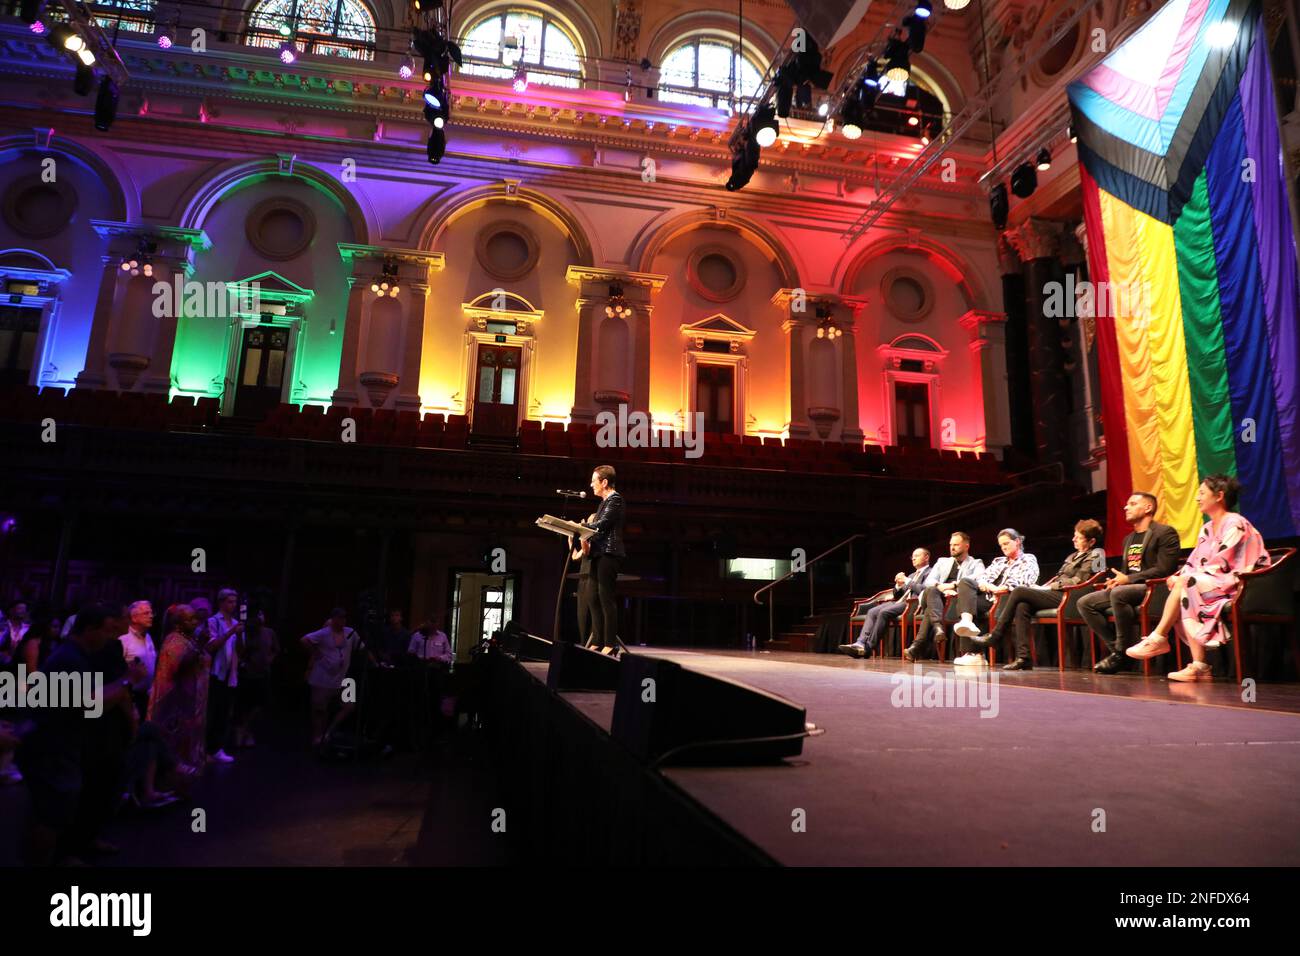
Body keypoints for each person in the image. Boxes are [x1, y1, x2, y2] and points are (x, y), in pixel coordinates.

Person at [16, 603, 145, 865]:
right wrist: (127, 682)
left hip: (55, 743)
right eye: (106, 631)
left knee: (53, 811)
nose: (110, 638)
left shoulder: (74, 655)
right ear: (89, 629)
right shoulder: (70, 659)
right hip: (51, 746)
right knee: (50, 814)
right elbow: (89, 704)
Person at [1125, 475, 1271, 681]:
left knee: (1187, 583)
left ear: (1219, 496)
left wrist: (1187, 577)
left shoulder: (1236, 523)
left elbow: (1225, 561)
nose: (1197, 498)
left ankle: (1160, 638)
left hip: (1241, 582)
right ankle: (1198, 664)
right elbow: (1195, 561)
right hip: (1213, 580)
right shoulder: (1207, 528)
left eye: (1202, 493)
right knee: (1183, 583)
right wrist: (1180, 575)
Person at [970, 519, 1107, 670]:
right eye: (1074, 535)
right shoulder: (1072, 556)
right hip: (1058, 593)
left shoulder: (1097, 554)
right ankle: (1024, 657)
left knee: (1019, 590)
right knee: (1023, 605)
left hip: (1074, 597)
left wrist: (1048, 589)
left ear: (1092, 541)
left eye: (1079, 537)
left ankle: (995, 636)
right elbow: (1060, 576)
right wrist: (1044, 587)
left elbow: (1082, 580)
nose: (1073, 539)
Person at [1077, 492, 1181, 674]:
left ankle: (1120, 654)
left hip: (1155, 588)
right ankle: (1120, 652)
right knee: (1085, 602)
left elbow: (1165, 569)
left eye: (1132, 504)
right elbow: (1128, 572)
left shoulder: (1165, 533)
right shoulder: (1128, 539)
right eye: (1127, 504)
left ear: (1148, 508)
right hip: (1130, 588)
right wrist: (1117, 580)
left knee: (1119, 593)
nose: (1126, 507)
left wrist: (1128, 580)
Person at [951, 529, 1040, 665]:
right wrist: (986, 585)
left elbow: (1024, 582)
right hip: (990, 597)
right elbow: (982, 578)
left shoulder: (1028, 559)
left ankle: (975, 653)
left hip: (1008, 599)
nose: (1003, 547)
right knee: (965, 587)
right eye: (1001, 545)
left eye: (1006, 543)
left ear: (1017, 542)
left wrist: (996, 588)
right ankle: (967, 623)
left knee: (968, 603)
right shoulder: (998, 561)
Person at [147, 604, 211, 783]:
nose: (196, 622)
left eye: (195, 618)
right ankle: (173, 775)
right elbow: (180, 667)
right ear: (178, 624)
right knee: (176, 738)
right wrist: (200, 644)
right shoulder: (174, 641)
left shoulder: (188, 639)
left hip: (192, 699)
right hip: (177, 701)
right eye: (190, 619)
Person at [904, 532, 985, 662]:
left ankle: (922, 642)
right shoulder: (942, 562)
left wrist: (953, 586)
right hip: (934, 594)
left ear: (966, 546)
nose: (952, 547)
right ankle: (937, 627)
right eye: (951, 544)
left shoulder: (975, 563)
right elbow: (929, 582)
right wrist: (940, 586)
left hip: (951, 601)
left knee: (931, 609)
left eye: (956, 545)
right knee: (931, 590)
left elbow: (980, 578)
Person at [838, 548, 931, 658]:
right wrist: (898, 585)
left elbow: (923, 590)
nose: (913, 558)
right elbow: (897, 596)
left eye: (917, 555)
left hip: (912, 605)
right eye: (912, 556)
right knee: (872, 611)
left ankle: (868, 648)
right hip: (899, 602)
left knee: (883, 612)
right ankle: (860, 642)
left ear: (926, 557)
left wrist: (906, 580)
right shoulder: (911, 575)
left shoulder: (930, 573)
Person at [302, 607, 373, 748]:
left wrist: (375, 662)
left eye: (344, 618)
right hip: (322, 679)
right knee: (320, 709)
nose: (341, 621)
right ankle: (318, 737)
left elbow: (363, 648)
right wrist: (317, 656)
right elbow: (305, 641)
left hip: (343, 679)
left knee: (349, 706)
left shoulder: (350, 633)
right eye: (338, 618)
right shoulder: (323, 634)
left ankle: (328, 732)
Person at [582, 465, 625, 656]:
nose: (591, 484)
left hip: (609, 553)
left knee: (605, 597)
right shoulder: (602, 503)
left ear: (604, 482)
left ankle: (610, 643)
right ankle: (597, 641)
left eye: (594, 480)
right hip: (598, 554)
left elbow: (601, 526)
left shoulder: (615, 500)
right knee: (592, 596)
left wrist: (581, 526)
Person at [203, 589, 244, 763]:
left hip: (231, 674)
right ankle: (204, 750)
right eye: (229, 601)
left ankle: (217, 748)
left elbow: (241, 650)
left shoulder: (236, 623)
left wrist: (240, 634)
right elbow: (210, 647)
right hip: (215, 673)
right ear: (221, 602)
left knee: (224, 713)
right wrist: (230, 632)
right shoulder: (213, 621)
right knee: (211, 712)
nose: (233, 605)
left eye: (235, 602)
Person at [235, 610, 278, 748]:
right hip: (247, 674)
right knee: (245, 704)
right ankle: (242, 731)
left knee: (260, 705)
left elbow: (276, 649)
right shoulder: (245, 632)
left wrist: (269, 660)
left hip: (263, 674)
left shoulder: (269, 632)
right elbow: (240, 651)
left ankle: (245, 729)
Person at [118, 600, 158, 720]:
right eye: (146, 613)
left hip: (146, 697)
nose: (151, 616)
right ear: (134, 618)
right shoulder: (124, 639)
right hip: (129, 698)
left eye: (151, 613)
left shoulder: (148, 636)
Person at [571, 512, 597, 646]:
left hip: (591, 579)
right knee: (582, 614)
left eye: (590, 522)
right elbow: (575, 556)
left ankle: (593, 643)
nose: (588, 523)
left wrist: (582, 535)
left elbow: (586, 551)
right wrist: (570, 540)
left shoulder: (596, 541)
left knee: (591, 613)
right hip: (582, 581)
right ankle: (583, 643)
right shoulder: (586, 541)